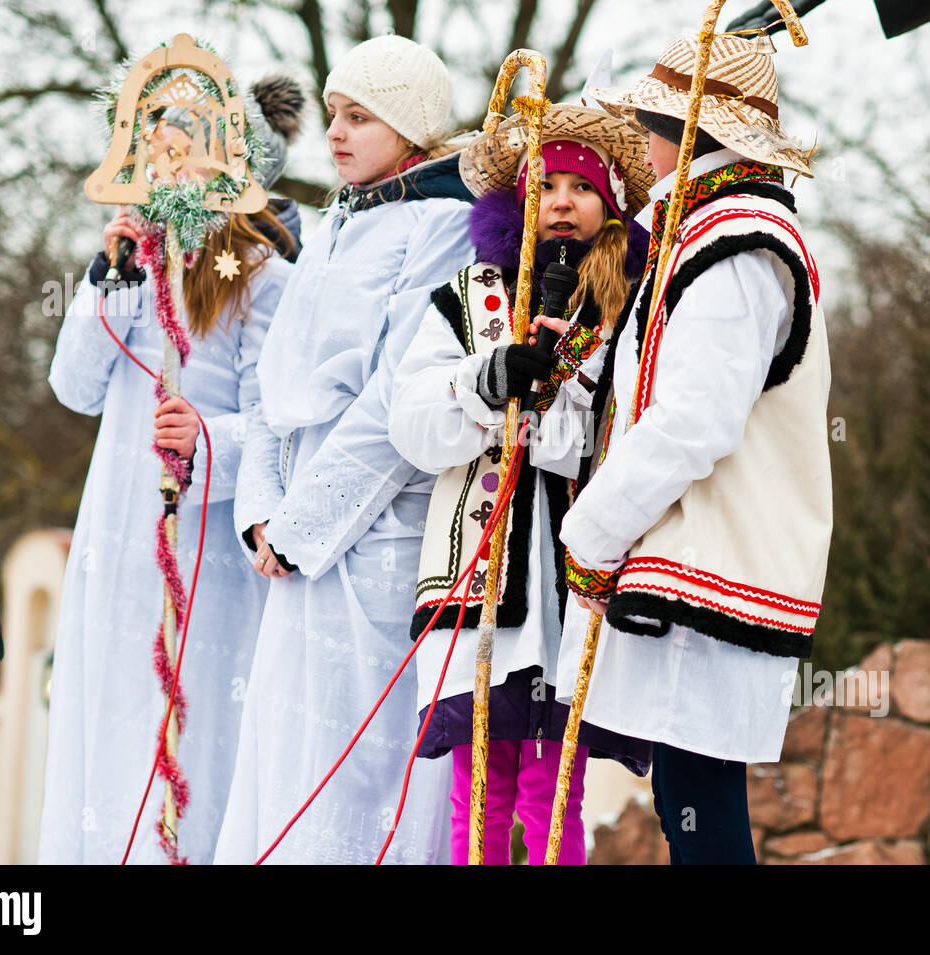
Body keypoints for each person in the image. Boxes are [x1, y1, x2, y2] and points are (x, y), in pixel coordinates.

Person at [556, 32, 832, 865]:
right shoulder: (704, 234)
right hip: (694, 560)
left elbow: (691, 421)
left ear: (692, 134)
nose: (640, 138)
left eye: (648, 120)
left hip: (713, 566)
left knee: (703, 815)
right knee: (689, 803)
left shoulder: (735, 245)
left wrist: (592, 532)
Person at [213, 35, 477, 865]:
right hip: (293, 530)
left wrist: (304, 525)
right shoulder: (333, 221)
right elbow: (269, 389)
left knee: (359, 771)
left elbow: (399, 392)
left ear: (411, 129)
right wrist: (260, 514)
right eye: (332, 113)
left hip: (375, 536)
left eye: (359, 117)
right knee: (285, 763)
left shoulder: (444, 223)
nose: (334, 132)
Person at [40, 75, 304, 865]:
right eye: (160, 147)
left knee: (193, 731)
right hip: (115, 541)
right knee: (112, 720)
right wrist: (107, 274)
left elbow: (274, 424)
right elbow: (75, 385)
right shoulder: (130, 266)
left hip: (205, 547)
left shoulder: (263, 279)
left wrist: (204, 439)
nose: (170, 164)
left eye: (191, 148)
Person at [389, 104, 656, 864]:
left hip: (576, 568)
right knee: (479, 786)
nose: (565, 200)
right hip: (482, 573)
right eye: (550, 183)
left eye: (582, 184)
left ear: (610, 202)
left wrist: (576, 376)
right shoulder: (469, 298)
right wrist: (486, 380)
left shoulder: (627, 303)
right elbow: (408, 419)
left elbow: (627, 424)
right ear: (521, 196)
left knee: (552, 786)